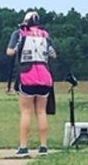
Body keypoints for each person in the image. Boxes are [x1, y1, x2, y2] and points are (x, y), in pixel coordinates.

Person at [6, 10, 57, 157]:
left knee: (26, 111)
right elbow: (53, 54)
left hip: (27, 75)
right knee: (41, 111)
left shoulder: (19, 33)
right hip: (45, 76)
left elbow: (10, 52)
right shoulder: (45, 35)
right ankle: (43, 146)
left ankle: (23, 147)